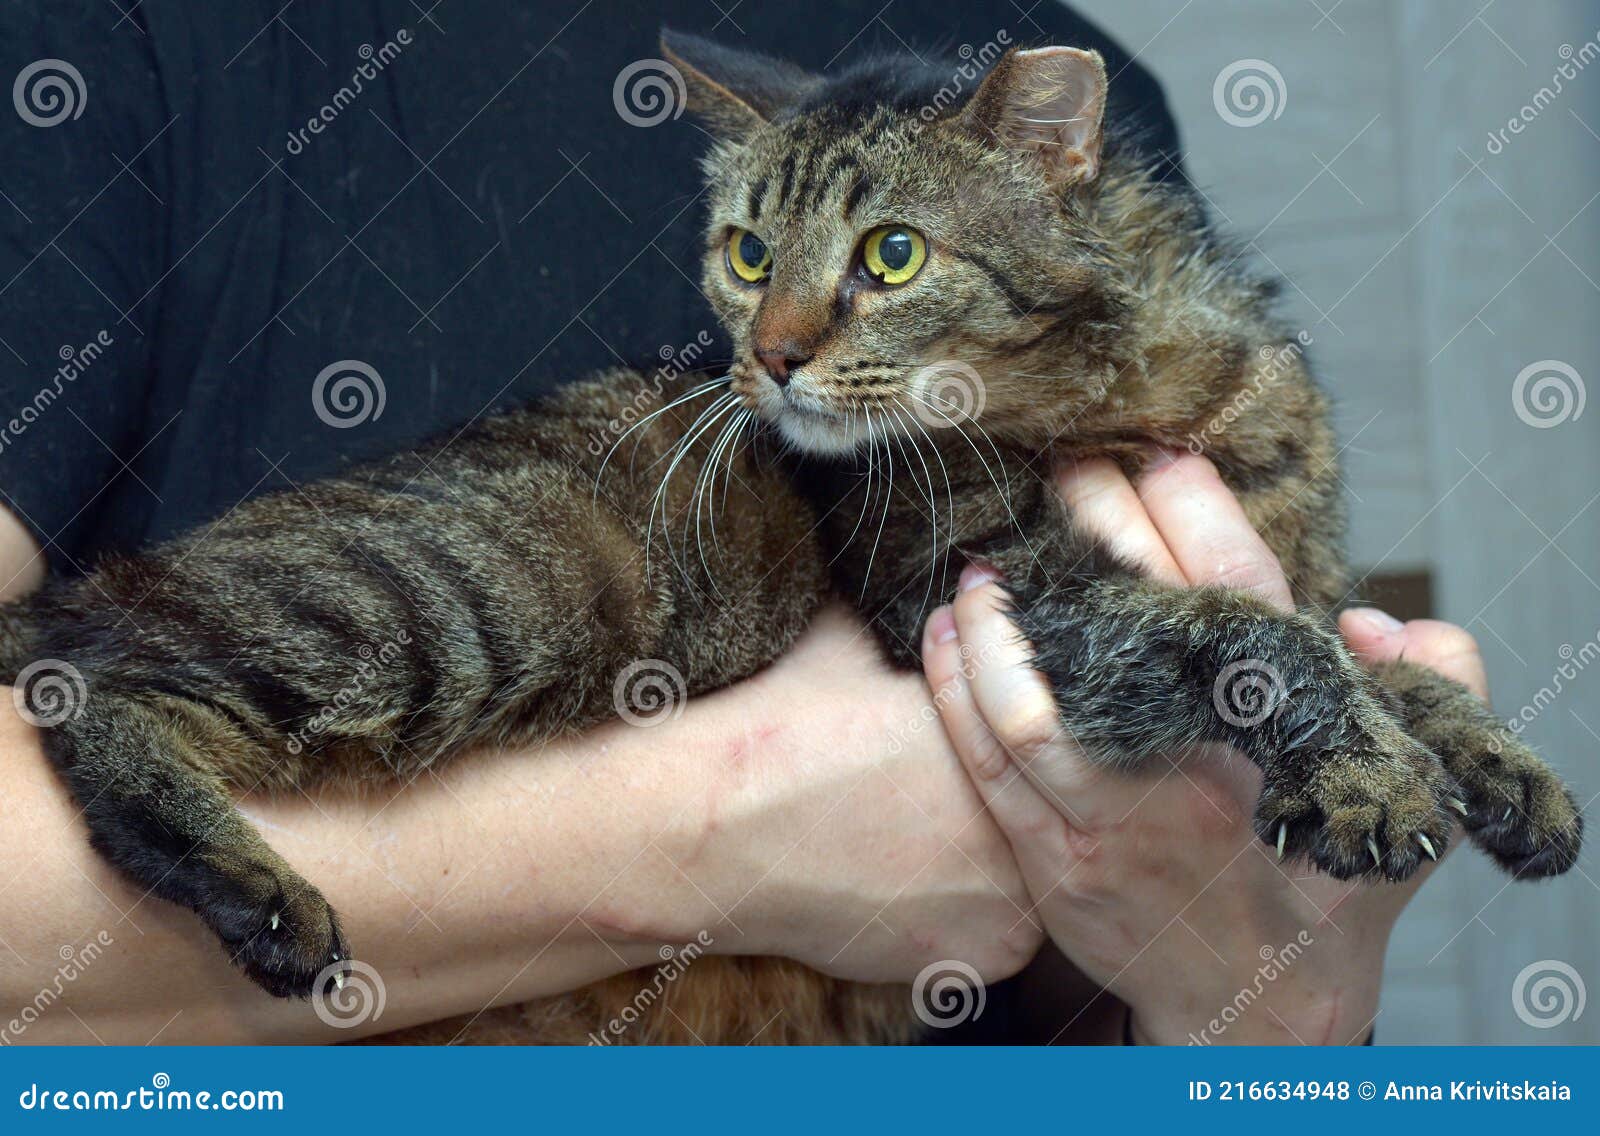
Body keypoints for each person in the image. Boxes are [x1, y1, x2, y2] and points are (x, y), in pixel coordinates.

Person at [0, 1, 1477, 1044]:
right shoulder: (125, 40)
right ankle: (157, 737)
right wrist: (721, 827)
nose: (776, 340)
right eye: (753, 263)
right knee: (522, 582)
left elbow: (1185, 982)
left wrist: (1280, 1014)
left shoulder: (1050, 90)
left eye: (880, 262)